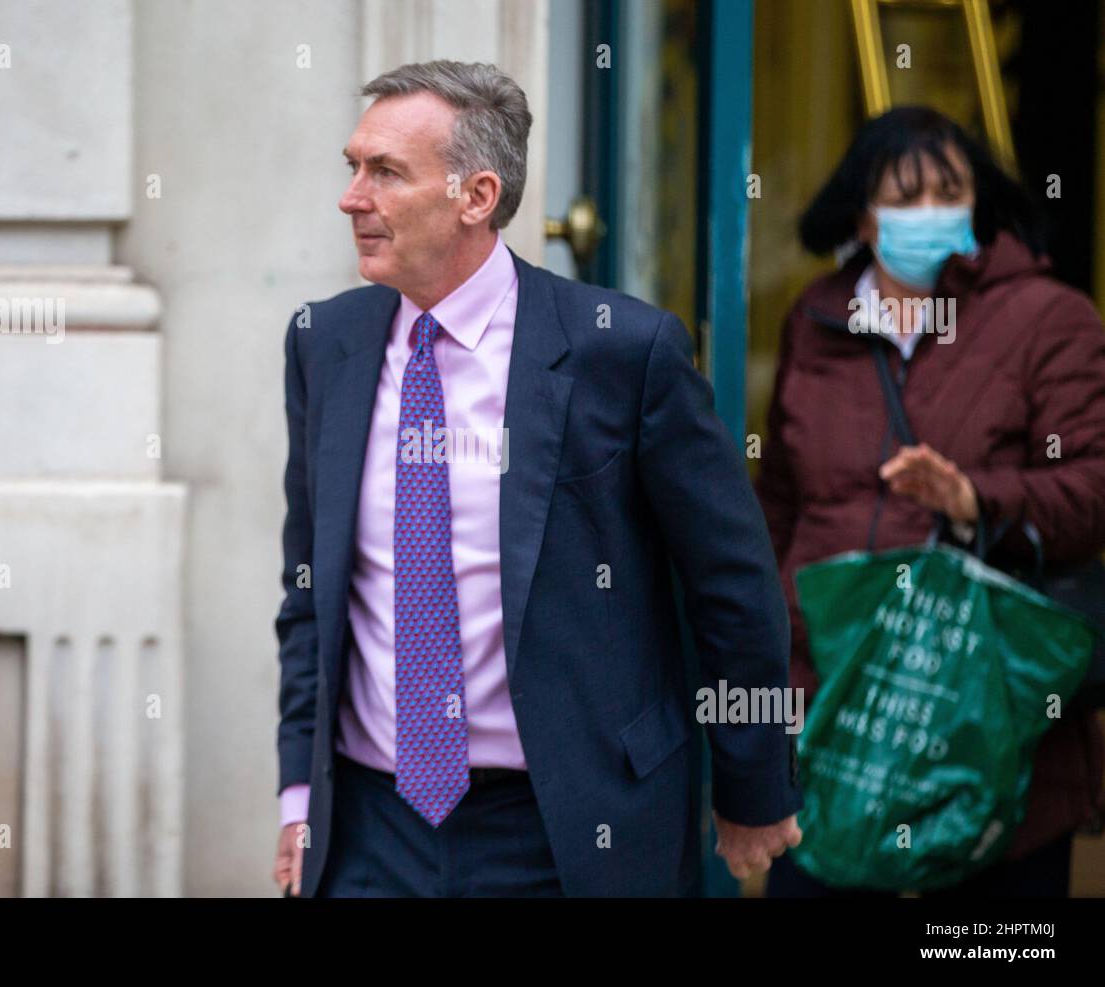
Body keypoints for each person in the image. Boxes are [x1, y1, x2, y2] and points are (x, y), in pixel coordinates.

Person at [271, 59, 801, 897]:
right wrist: (299, 795)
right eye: (353, 167)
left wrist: (754, 785)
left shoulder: (623, 352)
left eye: (385, 173)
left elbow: (730, 584)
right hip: (370, 829)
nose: (352, 197)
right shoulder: (324, 344)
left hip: (565, 828)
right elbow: (310, 597)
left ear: (476, 197)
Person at [756, 106, 1105, 897]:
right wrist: (772, 646)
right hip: (836, 716)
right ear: (862, 216)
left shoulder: (1049, 318)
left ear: (979, 203)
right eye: (904, 196)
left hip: (987, 726)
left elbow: (1093, 489)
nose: (929, 213)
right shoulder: (817, 321)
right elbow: (778, 503)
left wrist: (975, 497)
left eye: (949, 191)